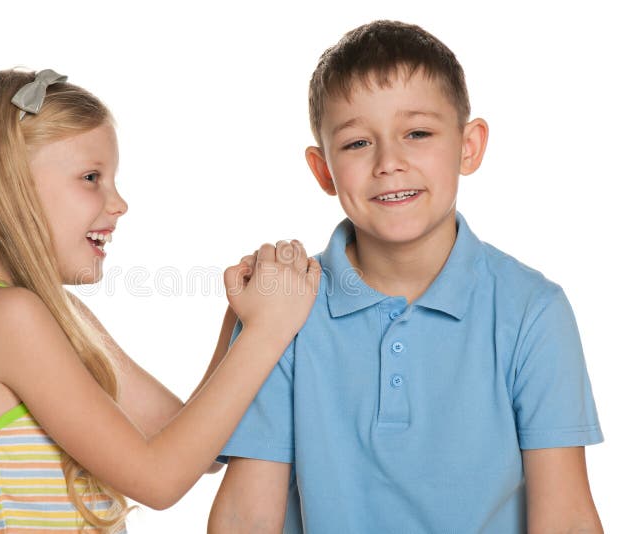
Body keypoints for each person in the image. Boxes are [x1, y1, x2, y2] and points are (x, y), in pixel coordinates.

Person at [209, 20, 603, 533]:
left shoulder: (533, 311)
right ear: (323, 170)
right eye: (356, 144)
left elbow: (567, 518)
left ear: (469, 146)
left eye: (417, 133)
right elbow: (245, 517)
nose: (389, 163)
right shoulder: (284, 306)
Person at [0, 68, 320, 533]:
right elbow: (159, 481)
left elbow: (196, 449)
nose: (119, 203)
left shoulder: (52, 314)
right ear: (6, 187)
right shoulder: (5, 317)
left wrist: (238, 319)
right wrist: (267, 332)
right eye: (91, 177)